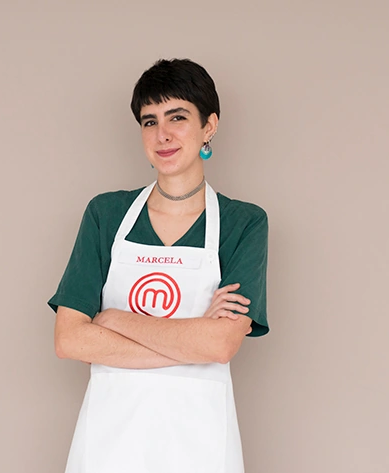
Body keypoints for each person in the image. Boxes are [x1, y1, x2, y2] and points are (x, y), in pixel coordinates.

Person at [48, 58, 269, 473]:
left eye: (177, 117)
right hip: (109, 441)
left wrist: (113, 320)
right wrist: (193, 340)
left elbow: (220, 345)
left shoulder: (243, 222)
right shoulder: (106, 214)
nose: (162, 134)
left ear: (209, 126)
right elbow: (70, 340)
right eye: (149, 121)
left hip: (199, 442)